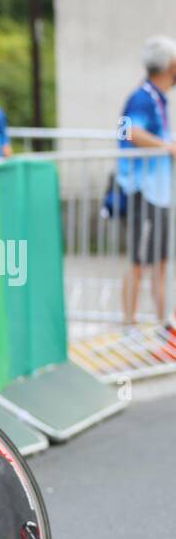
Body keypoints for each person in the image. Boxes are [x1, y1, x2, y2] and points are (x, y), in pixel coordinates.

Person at [116, 35, 176, 328]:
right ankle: (129, 324)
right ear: (169, 65)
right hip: (143, 191)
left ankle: (162, 324)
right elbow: (127, 131)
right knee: (139, 263)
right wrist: (167, 147)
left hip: (159, 193)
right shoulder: (141, 97)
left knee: (160, 263)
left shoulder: (157, 98)